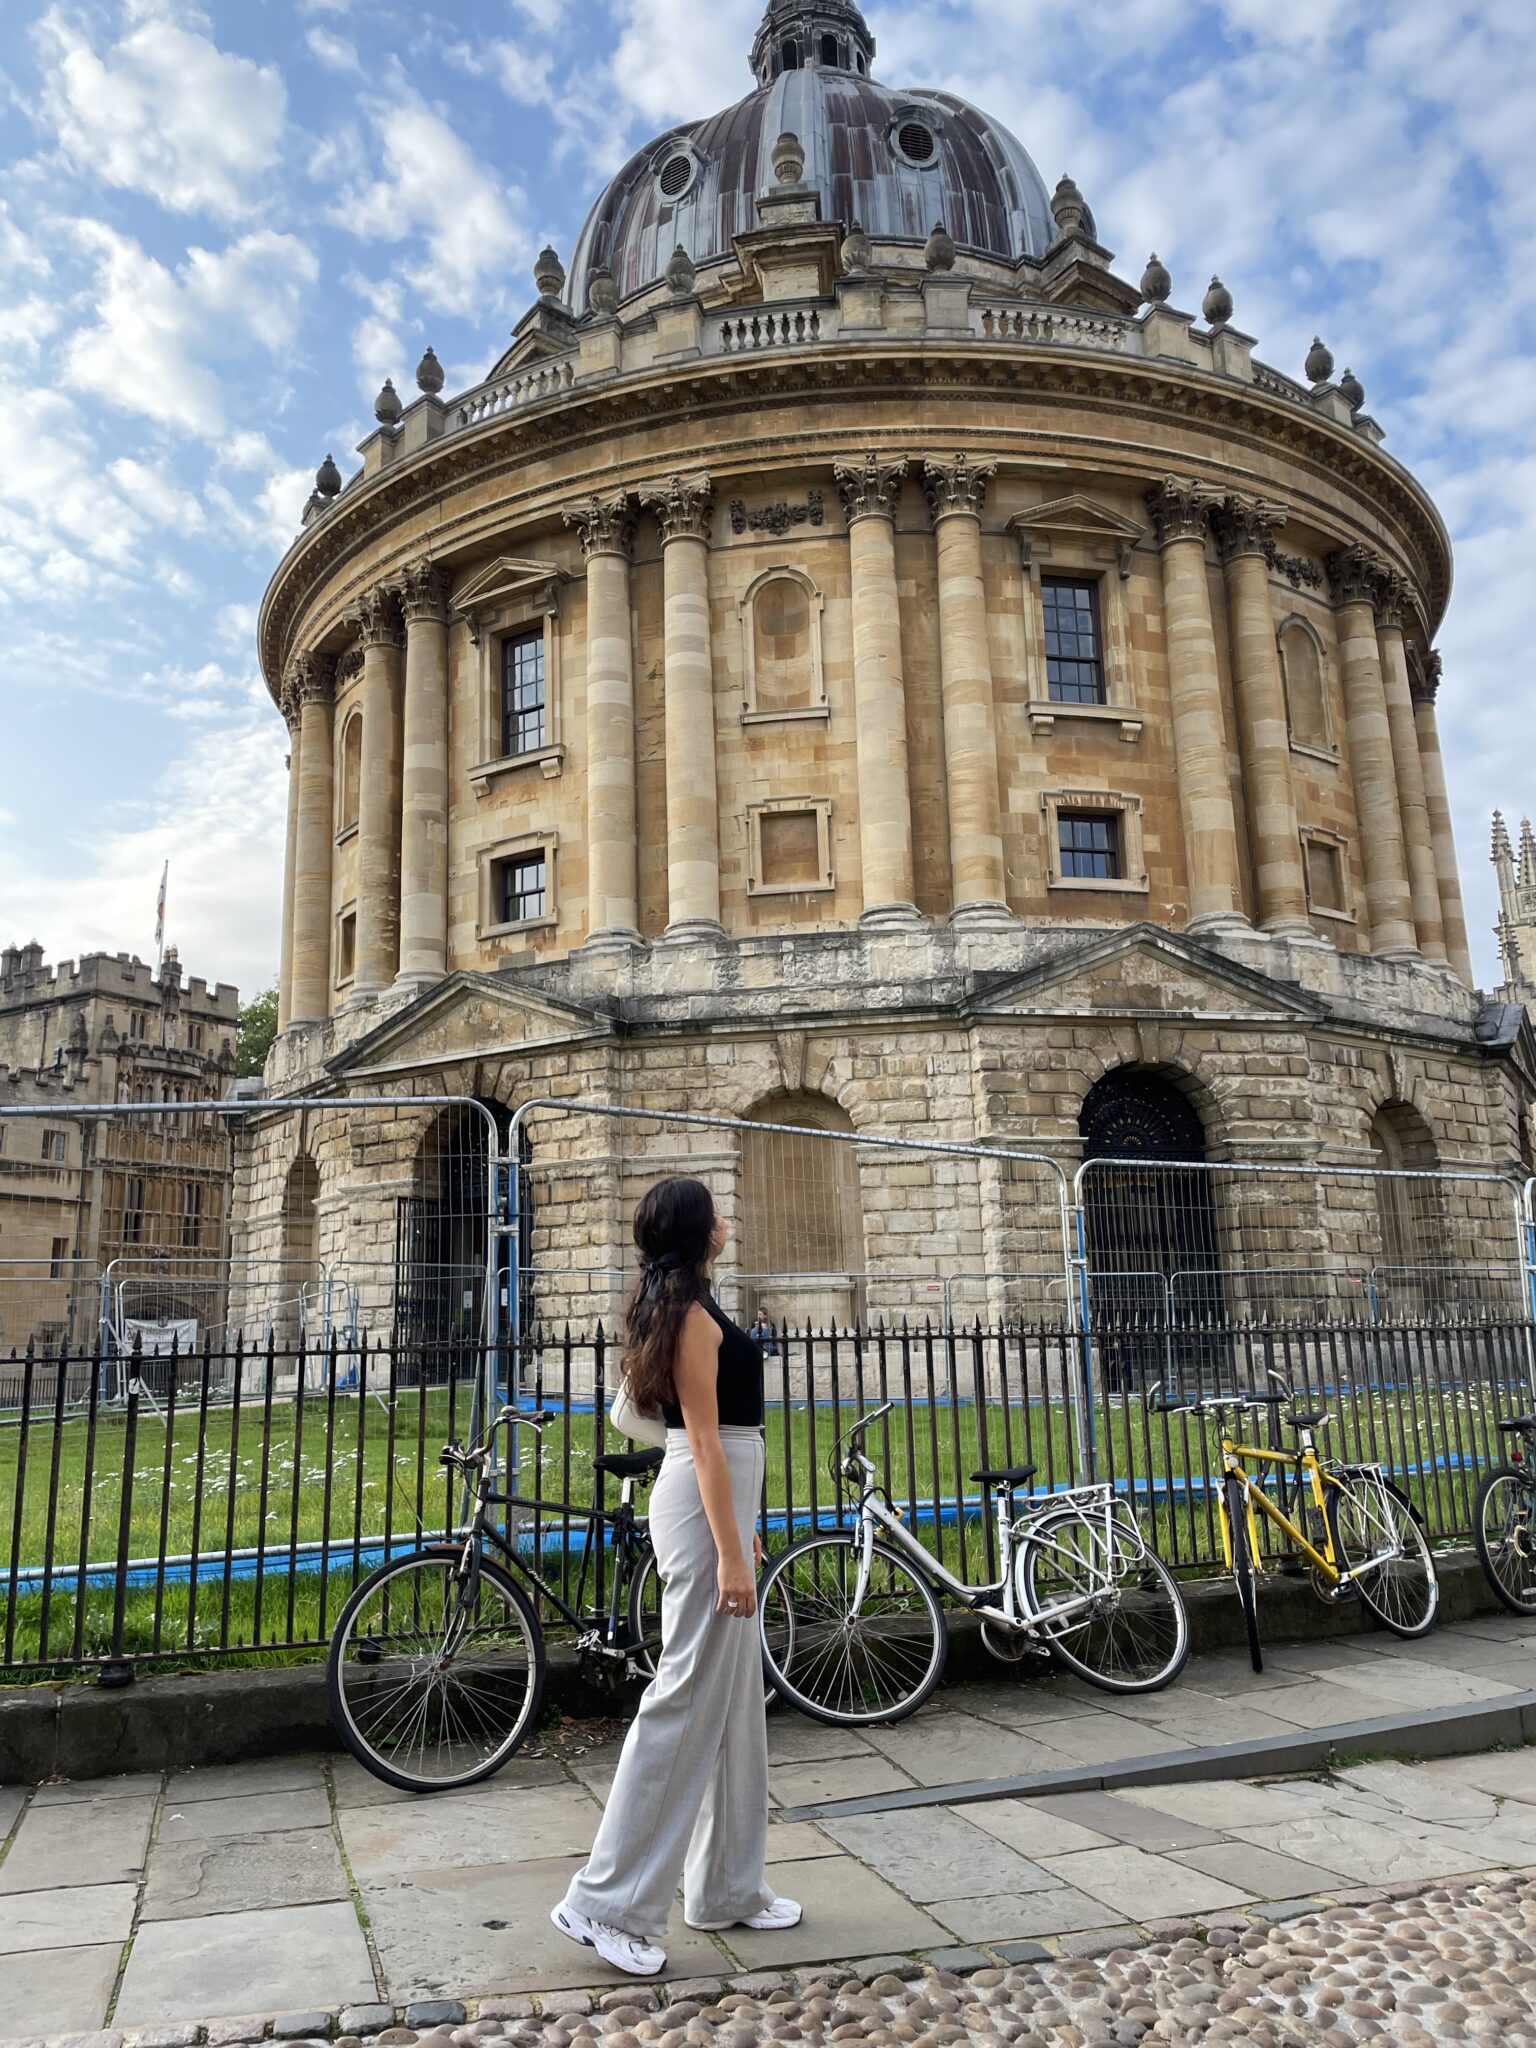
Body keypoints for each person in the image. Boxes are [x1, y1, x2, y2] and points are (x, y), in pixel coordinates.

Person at [551, 1176, 801, 1977]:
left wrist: (742, 1535)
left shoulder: (688, 1304)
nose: (728, 1221)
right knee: (685, 1698)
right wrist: (729, 1548)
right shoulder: (689, 1317)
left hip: (717, 1504)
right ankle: (604, 1902)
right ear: (699, 1230)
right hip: (702, 1502)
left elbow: (721, 1441)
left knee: (734, 1706)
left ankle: (727, 1887)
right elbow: (701, 1438)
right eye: (717, 1213)